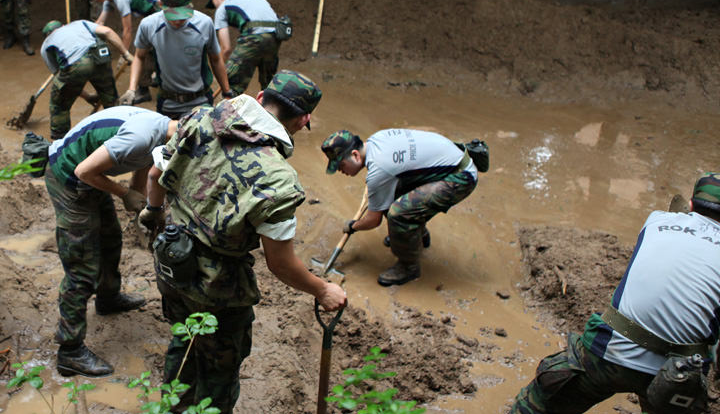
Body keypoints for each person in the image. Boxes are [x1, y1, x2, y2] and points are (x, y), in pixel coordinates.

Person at [140, 70, 346, 413]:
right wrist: (323, 290)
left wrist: (155, 215)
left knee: (183, 339)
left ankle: (173, 408)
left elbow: (155, 173)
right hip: (218, 288)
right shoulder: (279, 181)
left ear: (262, 97)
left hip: (171, 261)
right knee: (219, 372)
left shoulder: (199, 117)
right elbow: (281, 264)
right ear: (303, 120)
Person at [510, 173, 720, 414]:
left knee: (537, 403)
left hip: (611, 350)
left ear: (692, 205)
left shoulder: (657, 221)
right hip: (679, 374)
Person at [45, 106, 179, 377]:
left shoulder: (163, 132)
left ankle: (108, 297)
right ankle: (69, 352)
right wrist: (123, 193)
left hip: (90, 177)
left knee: (111, 238)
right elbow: (84, 171)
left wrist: (142, 200)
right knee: (81, 266)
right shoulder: (141, 136)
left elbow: (145, 165)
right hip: (69, 177)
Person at [321, 128, 478, 286]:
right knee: (392, 197)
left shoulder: (378, 170)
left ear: (355, 155)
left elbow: (373, 220)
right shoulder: (376, 140)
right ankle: (416, 236)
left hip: (459, 175)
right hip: (449, 162)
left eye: (341, 165)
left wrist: (353, 226)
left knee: (398, 214)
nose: (340, 171)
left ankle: (408, 266)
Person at [120, 0, 232, 119]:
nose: (178, 20)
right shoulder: (149, 25)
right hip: (168, 102)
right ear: (161, 5)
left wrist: (227, 92)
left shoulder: (204, 23)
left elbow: (215, 59)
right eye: (173, 15)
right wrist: (132, 89)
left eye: (183, 13)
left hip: (200, 101)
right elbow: (139, 56)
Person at [40, 19, 132, 139]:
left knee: (59, 105)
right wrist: (126, 54)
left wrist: (86, 96)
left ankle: (60, 141)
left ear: (47, 35)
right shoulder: (80, 23)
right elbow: (108, 32)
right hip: (100, 56)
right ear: (63, 25)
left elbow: (64, 81)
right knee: (110, 99)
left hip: (76, 64)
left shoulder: (46, 45)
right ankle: (123, 132)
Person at [86, 0, 161, 104]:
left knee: (147, 49)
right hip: (148, 14)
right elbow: (99, 23)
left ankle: (143, 89)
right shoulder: (108, 0)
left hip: (157, 10)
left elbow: (127, 30)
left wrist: (124, 54)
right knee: (151, 47)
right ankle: (156, 77)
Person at [206, 0, 284, 96]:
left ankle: (228, 110)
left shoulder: (222, 7)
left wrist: (220, 70)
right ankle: (270, 107)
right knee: (268, 84)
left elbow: (226, 48)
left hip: (253, 37)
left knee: (232, 84)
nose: (215, 7)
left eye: (213, 3)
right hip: (275, 36)